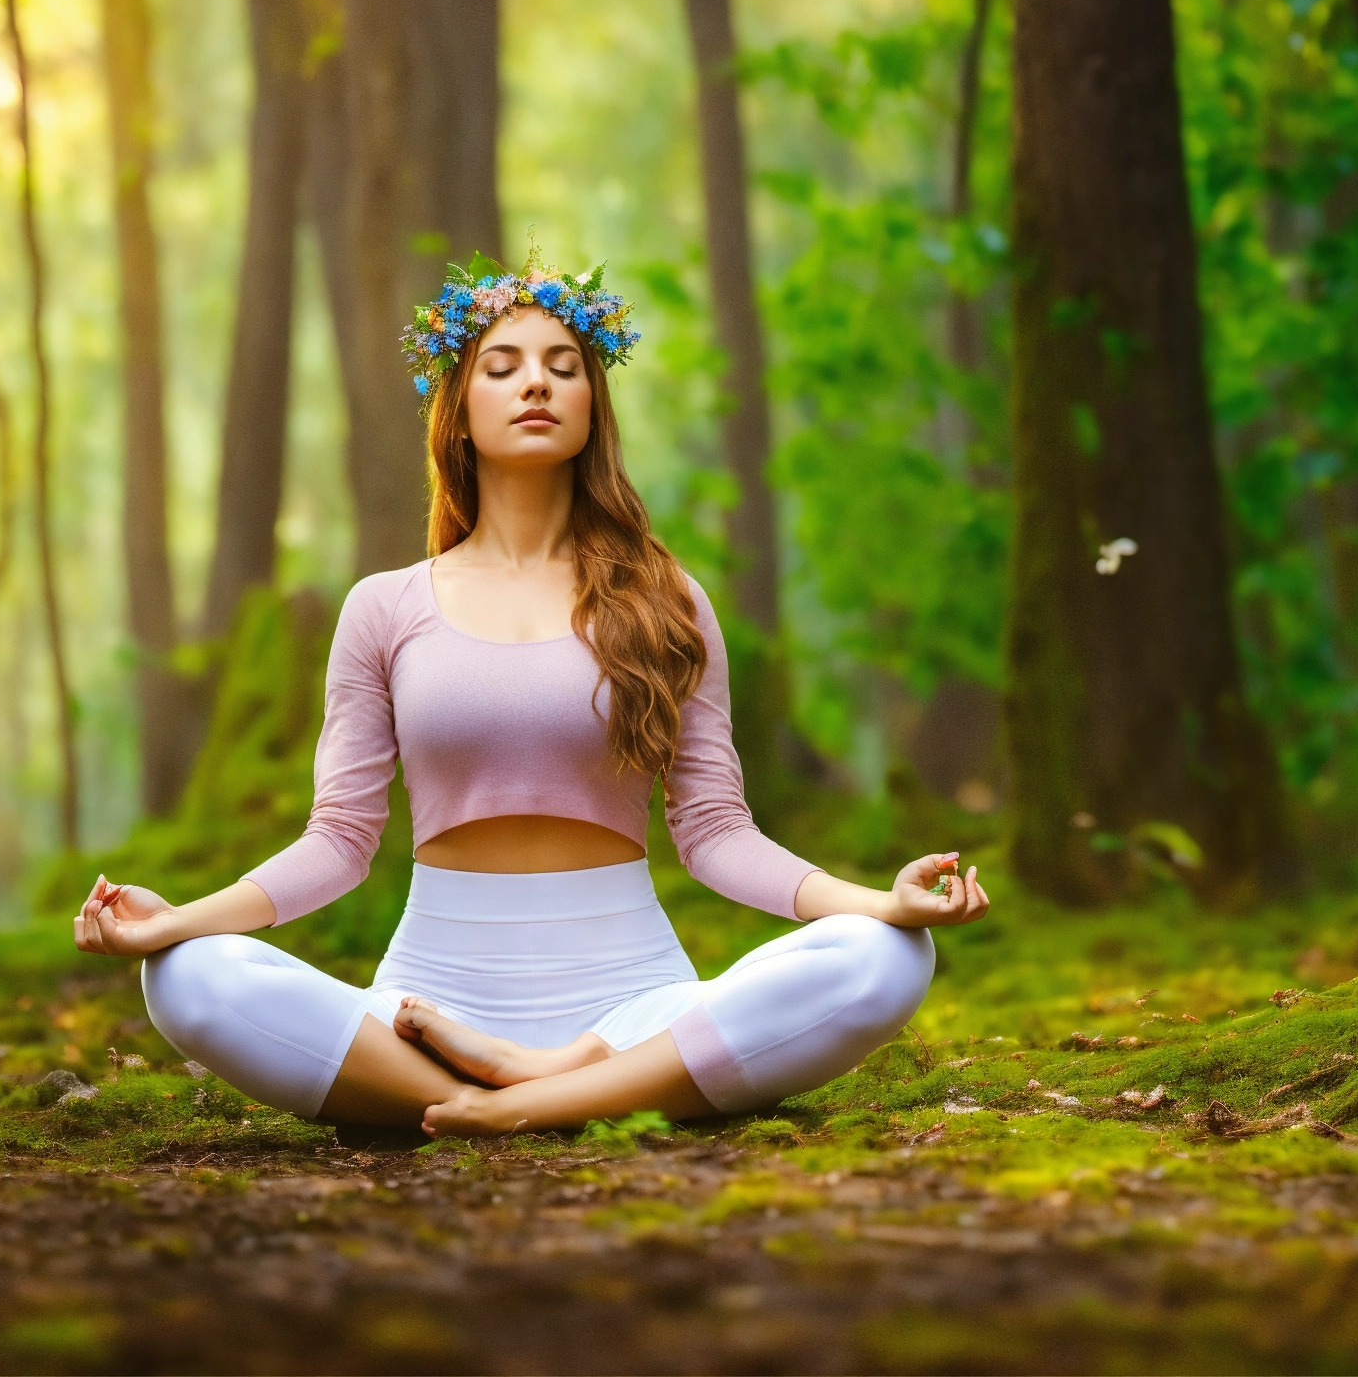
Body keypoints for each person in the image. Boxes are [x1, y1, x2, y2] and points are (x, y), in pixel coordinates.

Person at [72, 254, 990, 1136]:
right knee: (185, 978)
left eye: (564, 367)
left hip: (632, 997)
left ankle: (527, 1095)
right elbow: (339, 844)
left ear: (594, 405)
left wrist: (880, 904)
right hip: (430, 998)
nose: (537, 384)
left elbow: (715, 833)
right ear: (459, 412)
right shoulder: (384, 608)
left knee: (888, 957)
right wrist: (180, 921)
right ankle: (586, 1091)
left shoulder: (665, 599)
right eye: (503, 367)